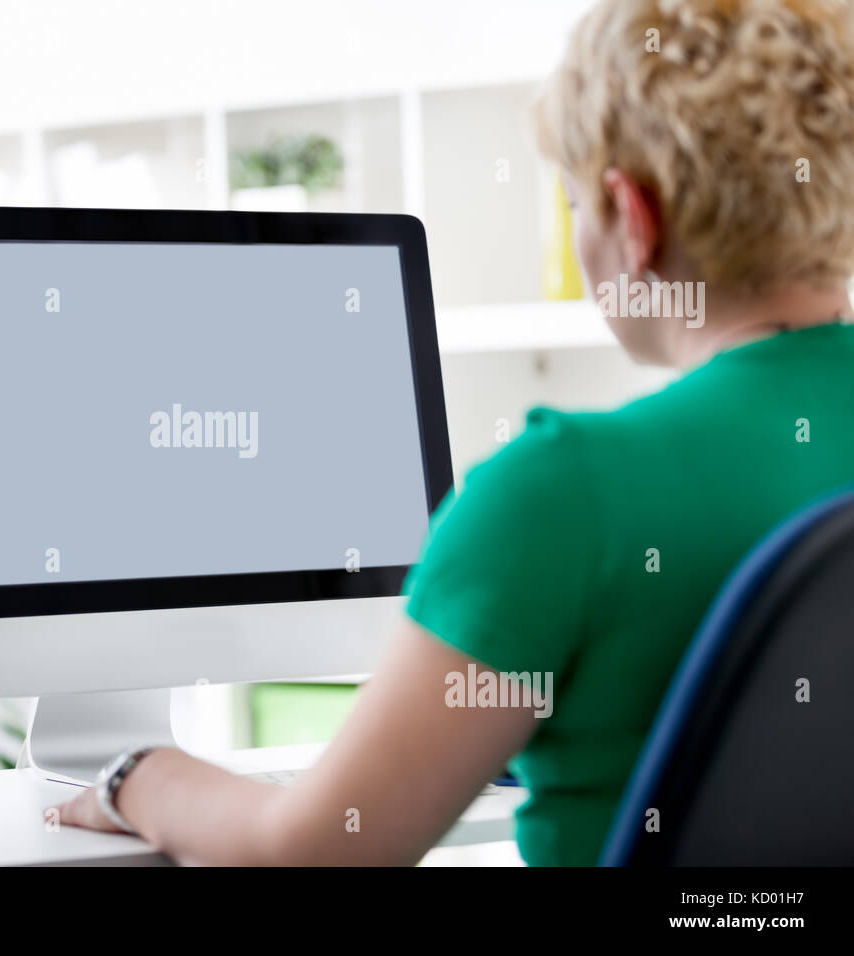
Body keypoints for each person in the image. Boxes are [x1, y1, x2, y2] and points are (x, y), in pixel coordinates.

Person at [58, 0, 854, 865]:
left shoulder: (566, 491)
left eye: (576, 197)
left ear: (632, 216)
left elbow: (313, 851)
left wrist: (136, 775)